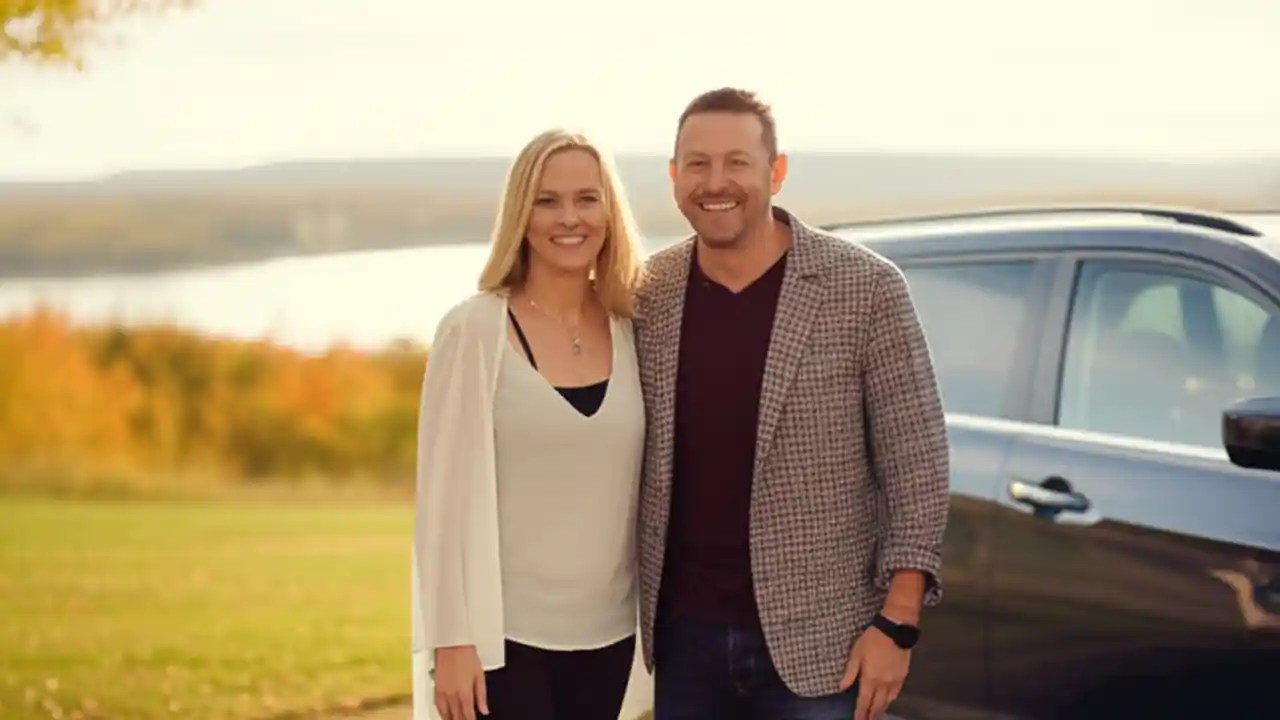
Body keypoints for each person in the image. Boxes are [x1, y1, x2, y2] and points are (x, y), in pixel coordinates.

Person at [632, 87, 951, 720]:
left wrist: (898, 624)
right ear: (674, 176)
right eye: (697, 164)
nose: (716, 182)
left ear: (775, 171)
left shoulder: (865, 287)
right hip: (684, 646)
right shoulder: (649, 291)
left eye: (737, 162)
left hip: (824, 647)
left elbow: (918, 465)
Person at [410, 128, 647, 720]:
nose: (569, 218)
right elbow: (440, 503)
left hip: (610, 637)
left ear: (610, 212)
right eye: (547, 201)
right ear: (521, 214)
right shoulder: (475, 331)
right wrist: (452, 641)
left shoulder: (633, 326)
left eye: (587, 199)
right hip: (503, 644)